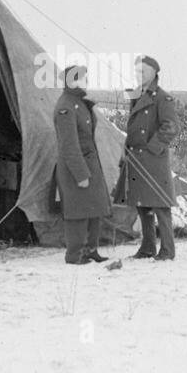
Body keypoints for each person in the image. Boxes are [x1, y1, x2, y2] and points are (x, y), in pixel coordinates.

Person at [112, 55, 178, 260]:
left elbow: (171, 127)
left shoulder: (163, 98)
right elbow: (132, 129)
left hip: (153, 159)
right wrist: (126, 153)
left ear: (154, 73)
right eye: (137, 71)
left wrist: (152, 148)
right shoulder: (137, 95)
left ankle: (167, 250)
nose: (139, 74)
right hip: (135, 158)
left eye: (143, 71)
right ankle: (148, 247)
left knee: (161, 205)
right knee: (142, 204)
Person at [52, 64, 111, 265]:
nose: (85, 81)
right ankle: (74, 255)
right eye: (80, 78)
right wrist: (80, 174)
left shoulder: (79, 103)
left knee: (94, 208)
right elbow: (69, 145)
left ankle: (90, 250)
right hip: (76, 168)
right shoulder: (65, 106)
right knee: (77, 212)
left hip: (90, 165)